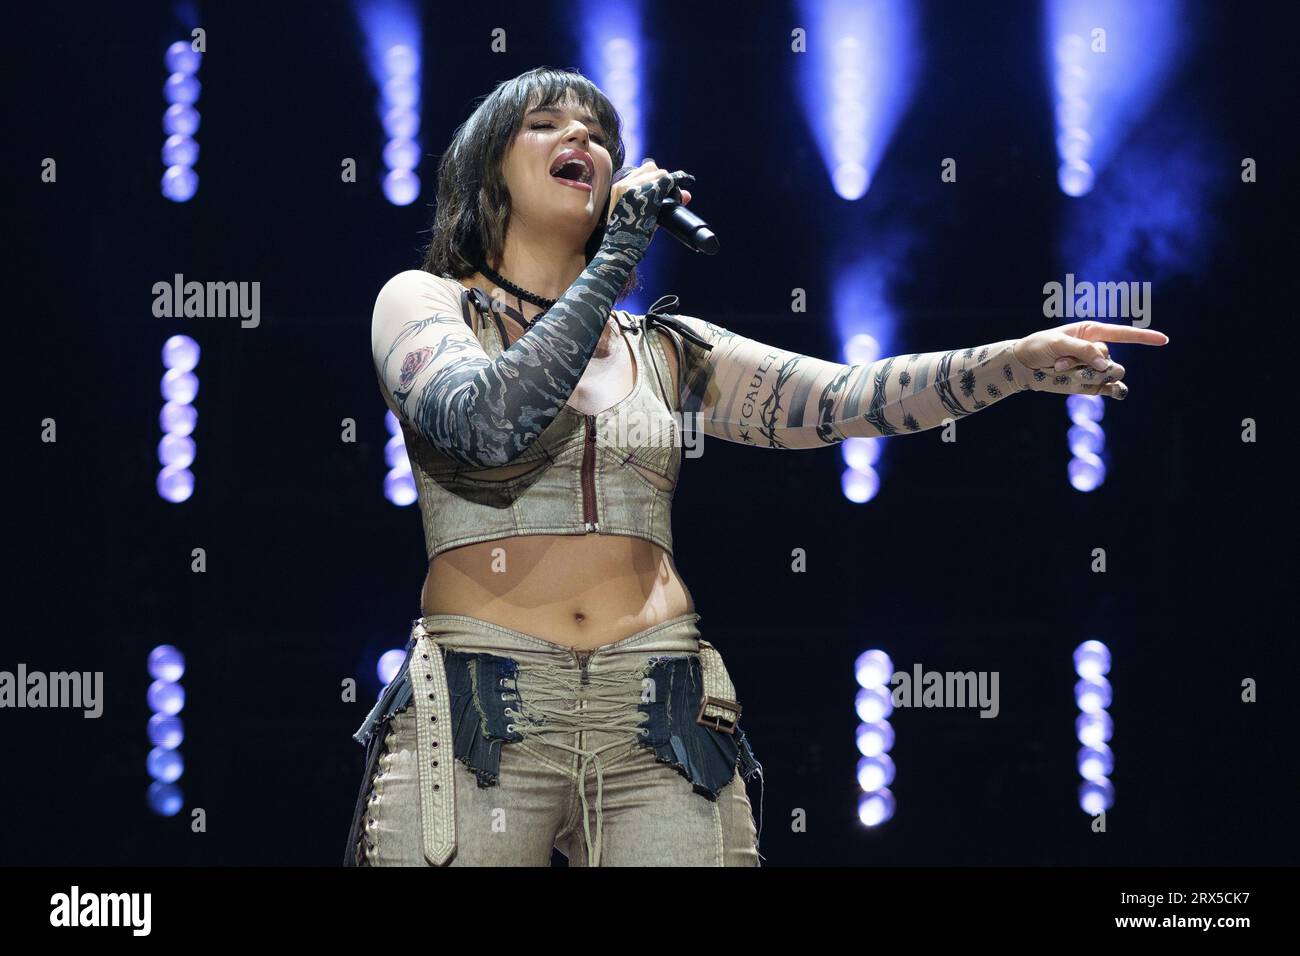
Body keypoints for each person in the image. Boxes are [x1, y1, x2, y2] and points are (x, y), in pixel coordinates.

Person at [344, 66, 1168, 867]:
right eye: (548, 124)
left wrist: (1014, 362)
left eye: (599, 133)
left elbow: (844, 399)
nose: (583, 140)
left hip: (658, 707)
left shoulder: (663, 348)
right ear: (488, 166)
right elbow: (488, 422)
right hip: (481, 706)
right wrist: (613, 261)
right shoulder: (425, 302)